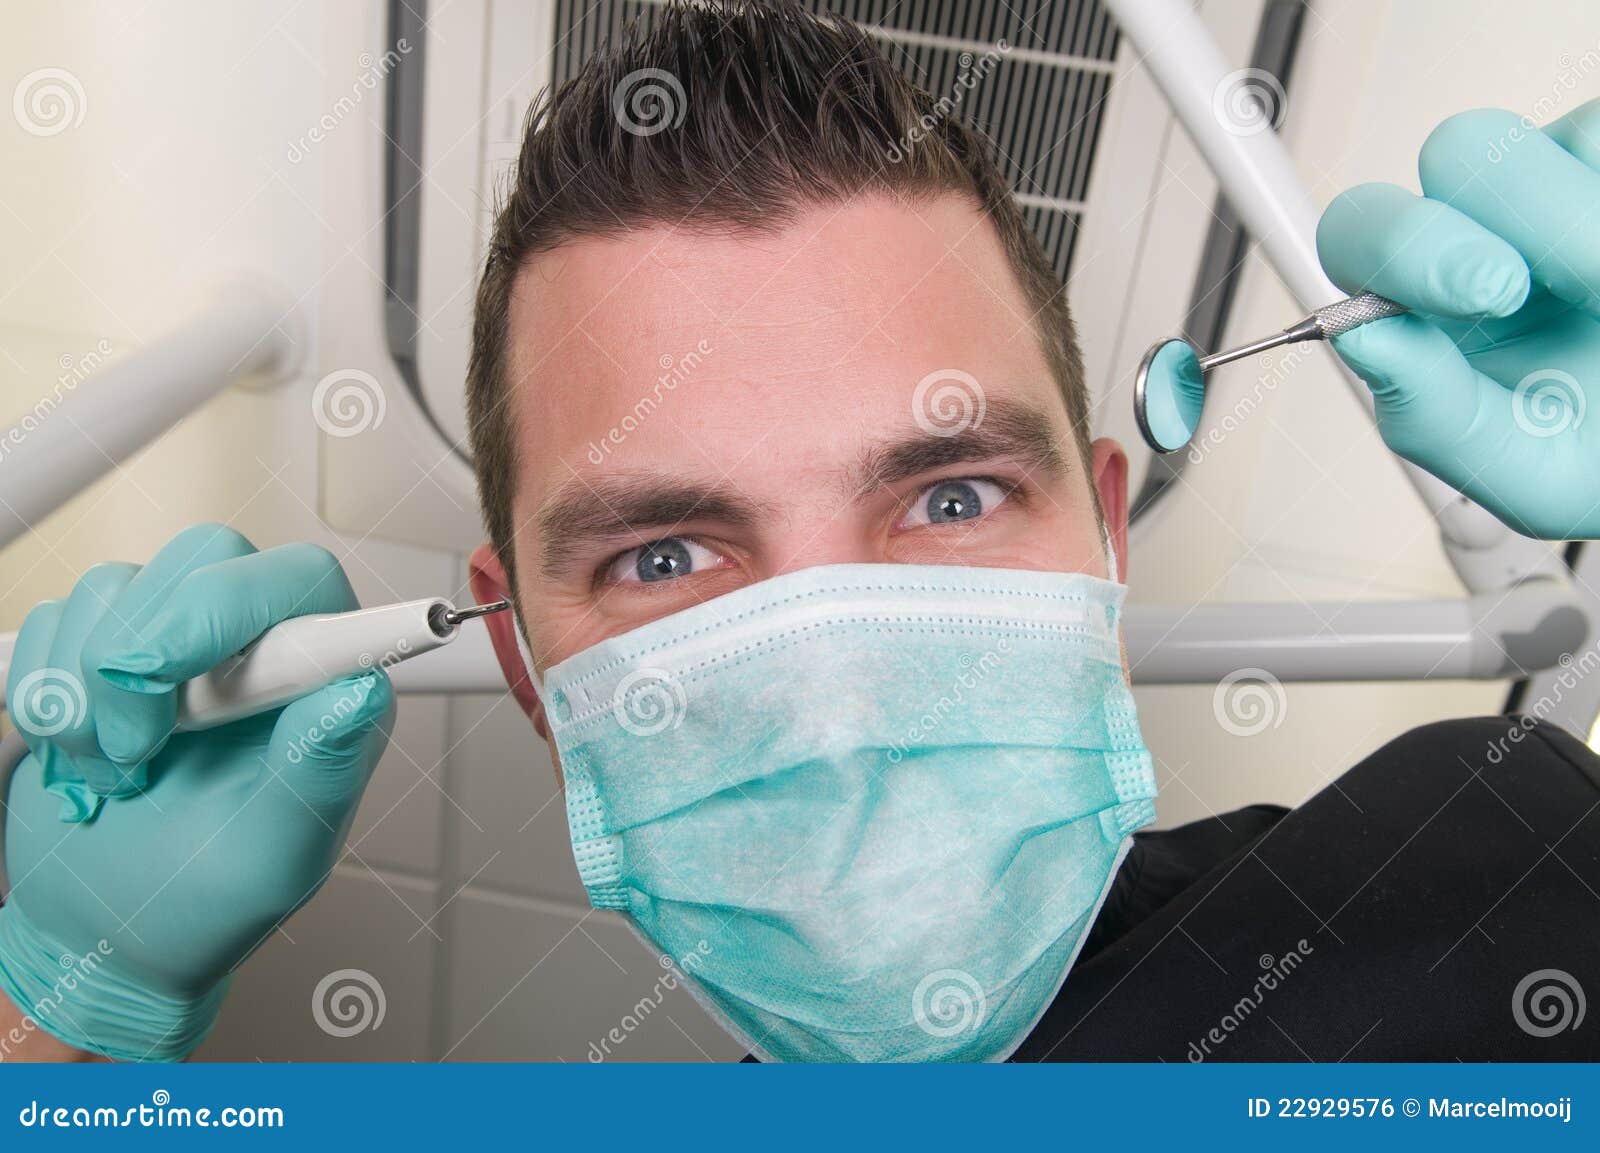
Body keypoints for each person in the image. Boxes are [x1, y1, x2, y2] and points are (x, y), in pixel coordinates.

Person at [3, 1, 1598, 1062]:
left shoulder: (1497, 864)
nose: (836, 701)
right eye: (667, 556)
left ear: (1104, 539)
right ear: (525, 659)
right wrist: (69, 1009)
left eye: (951, 497)